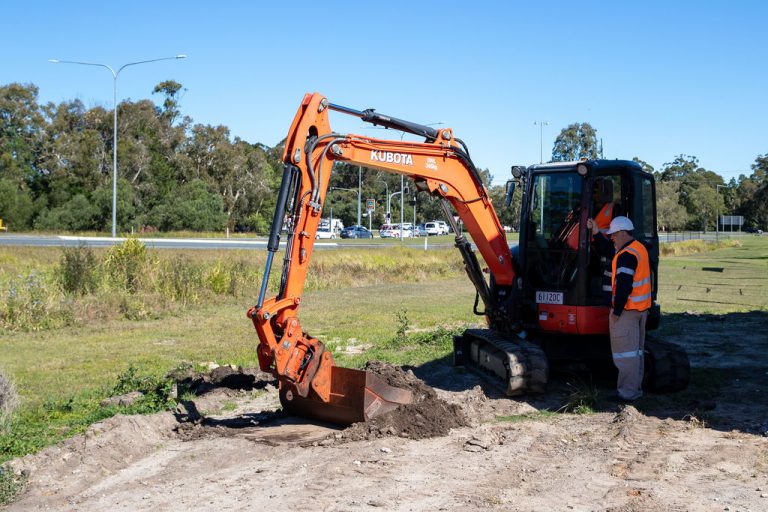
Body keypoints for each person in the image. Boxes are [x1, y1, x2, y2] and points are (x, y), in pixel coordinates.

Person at [587, 215, 652, 402]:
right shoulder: (637, 248)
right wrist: (596, 232)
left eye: (614, 235)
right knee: (635, 353)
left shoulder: (626, 256)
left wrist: (616, 312)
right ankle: (634, 390)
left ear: (623, 234)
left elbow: (624, 286)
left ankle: (626, 394)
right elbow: (608, 249)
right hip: (640, 311)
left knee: (625, 356)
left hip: (626, 312)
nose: (612, 238)